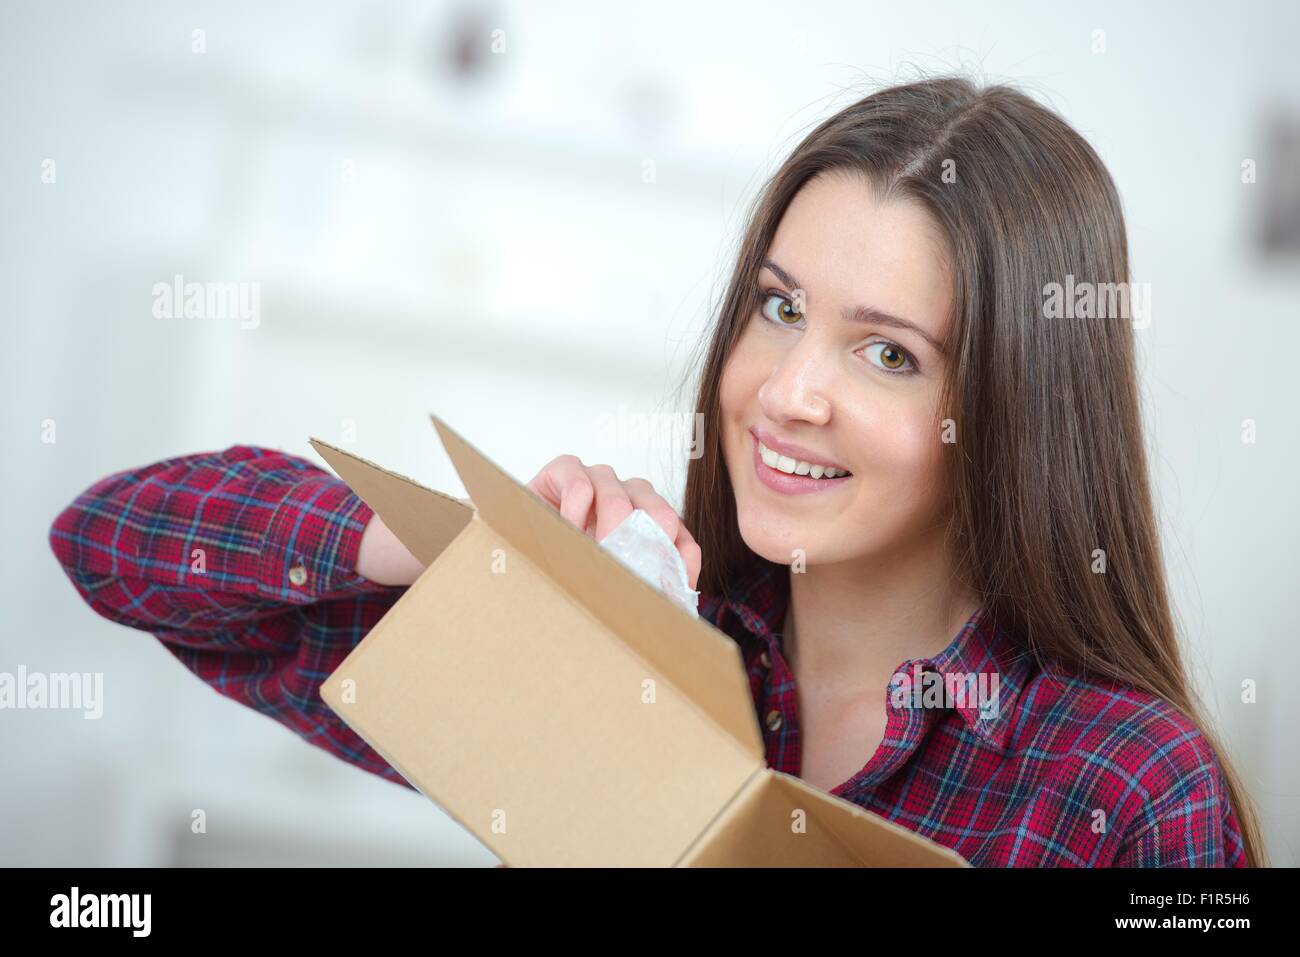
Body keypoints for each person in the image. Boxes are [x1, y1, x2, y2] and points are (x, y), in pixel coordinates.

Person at [48, 75, 1265, 867]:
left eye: (887, 352)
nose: (788, 391)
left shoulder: (1120, 784)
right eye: (778, 309)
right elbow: (116, 546)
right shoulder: (633, 663)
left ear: (1010, 411)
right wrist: (464, 547)